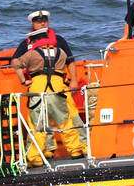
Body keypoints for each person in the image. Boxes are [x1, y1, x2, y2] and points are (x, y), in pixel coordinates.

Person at [13, 26, 85, 165]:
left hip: (39, 90)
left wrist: (23, 80)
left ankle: (35, 158)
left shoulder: (32, 54)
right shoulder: (61, 53)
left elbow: (15, 63)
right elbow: (69, 63)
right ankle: (75, 151)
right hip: (58, 89)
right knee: (65, 121)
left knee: (38, 125)